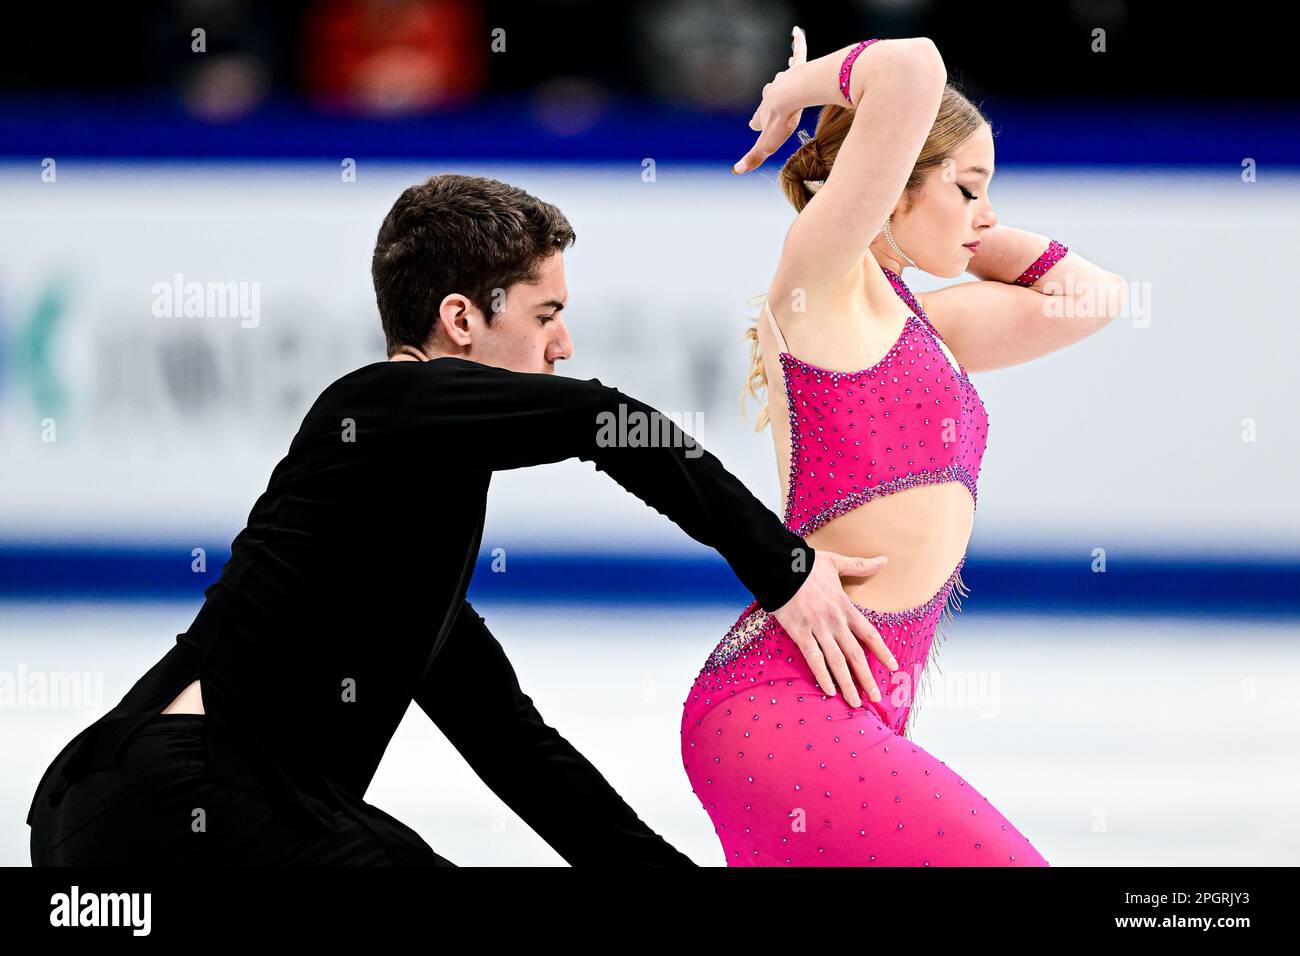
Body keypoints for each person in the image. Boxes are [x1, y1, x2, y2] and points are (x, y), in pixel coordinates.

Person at [27, 173, 892, 867]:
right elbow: (601, 419)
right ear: (460, 319)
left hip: (118, 816)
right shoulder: (382, 399)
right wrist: (782, 566)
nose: (564, 344)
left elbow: (519, 755)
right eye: (546, 314)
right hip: (181, 793)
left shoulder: (400, 560)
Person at [680, 29, 1126, 865]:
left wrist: (957, 216)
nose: (989, 212)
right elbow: (913, 64)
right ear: (889, 186)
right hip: (781, 706)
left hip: (862, 707)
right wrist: (797, 92)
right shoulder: (820, 292)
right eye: (970, 186)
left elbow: (1091, 297)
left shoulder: (930, 325)